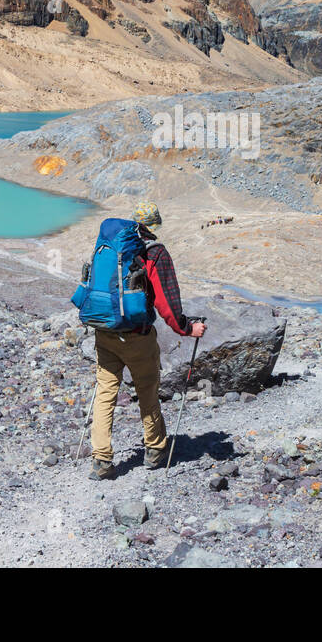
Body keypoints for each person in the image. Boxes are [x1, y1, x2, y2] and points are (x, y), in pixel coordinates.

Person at [90, 201, 207, 479]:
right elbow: (167, 302)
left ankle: (101, 459)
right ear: (154, 226)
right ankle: (154, 449)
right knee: (147, 389)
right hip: (137, 335)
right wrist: (187, 329)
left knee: (105, 393)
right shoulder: (155, 254)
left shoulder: (111, 246)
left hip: (104, 330)